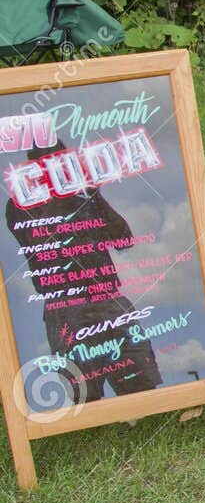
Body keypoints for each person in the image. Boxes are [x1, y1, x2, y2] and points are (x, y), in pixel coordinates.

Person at [4, 140, 162, 404]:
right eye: (52, 164)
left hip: (109, 298)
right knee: (83, 391)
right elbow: (41, 241)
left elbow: (124, 239)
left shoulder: (85, 198)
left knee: (140, 378)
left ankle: (144, 418)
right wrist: (67, 195)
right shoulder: (19, 206)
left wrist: (94, 196)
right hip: (66, 304)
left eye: (65, 162)